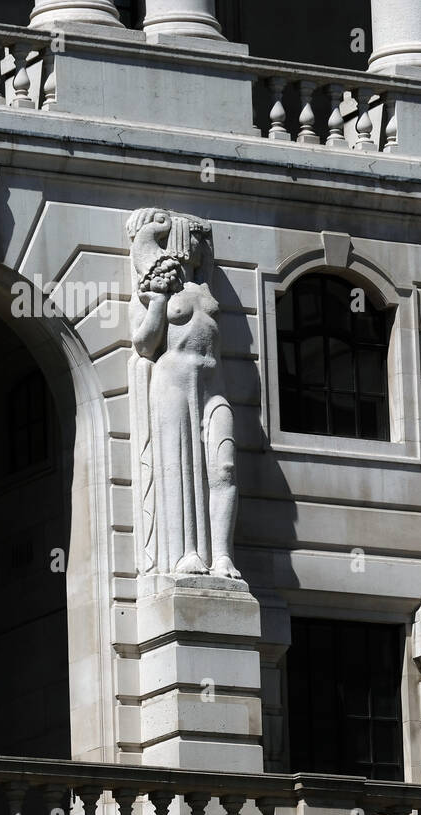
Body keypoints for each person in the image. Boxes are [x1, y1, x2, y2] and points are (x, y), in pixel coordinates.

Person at [128, 209, 240, 579]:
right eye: (187, 237)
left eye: (196, 239)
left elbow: (206, 246)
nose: (193, 244)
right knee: (178, 468)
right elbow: (144, 345)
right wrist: (158, 302)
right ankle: (184, 553)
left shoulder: (204, 288)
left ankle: (222, 556)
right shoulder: (152, 286)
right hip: (173, 380)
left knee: (223, 467)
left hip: (214, 385)